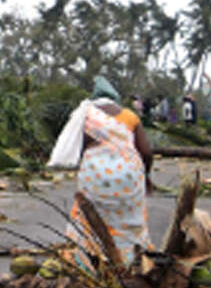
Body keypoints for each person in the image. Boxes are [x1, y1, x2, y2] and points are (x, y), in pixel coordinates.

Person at [48, 75, 154, 261]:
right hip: (129, 175)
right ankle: (131, 258)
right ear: (114, 98)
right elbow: (146, 152)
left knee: (90, 216)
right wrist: (147, 176)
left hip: (95, 174)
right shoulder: (130, 116)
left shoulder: (85, 114)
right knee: (128, 219)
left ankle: (87, 258)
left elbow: (77, 147)